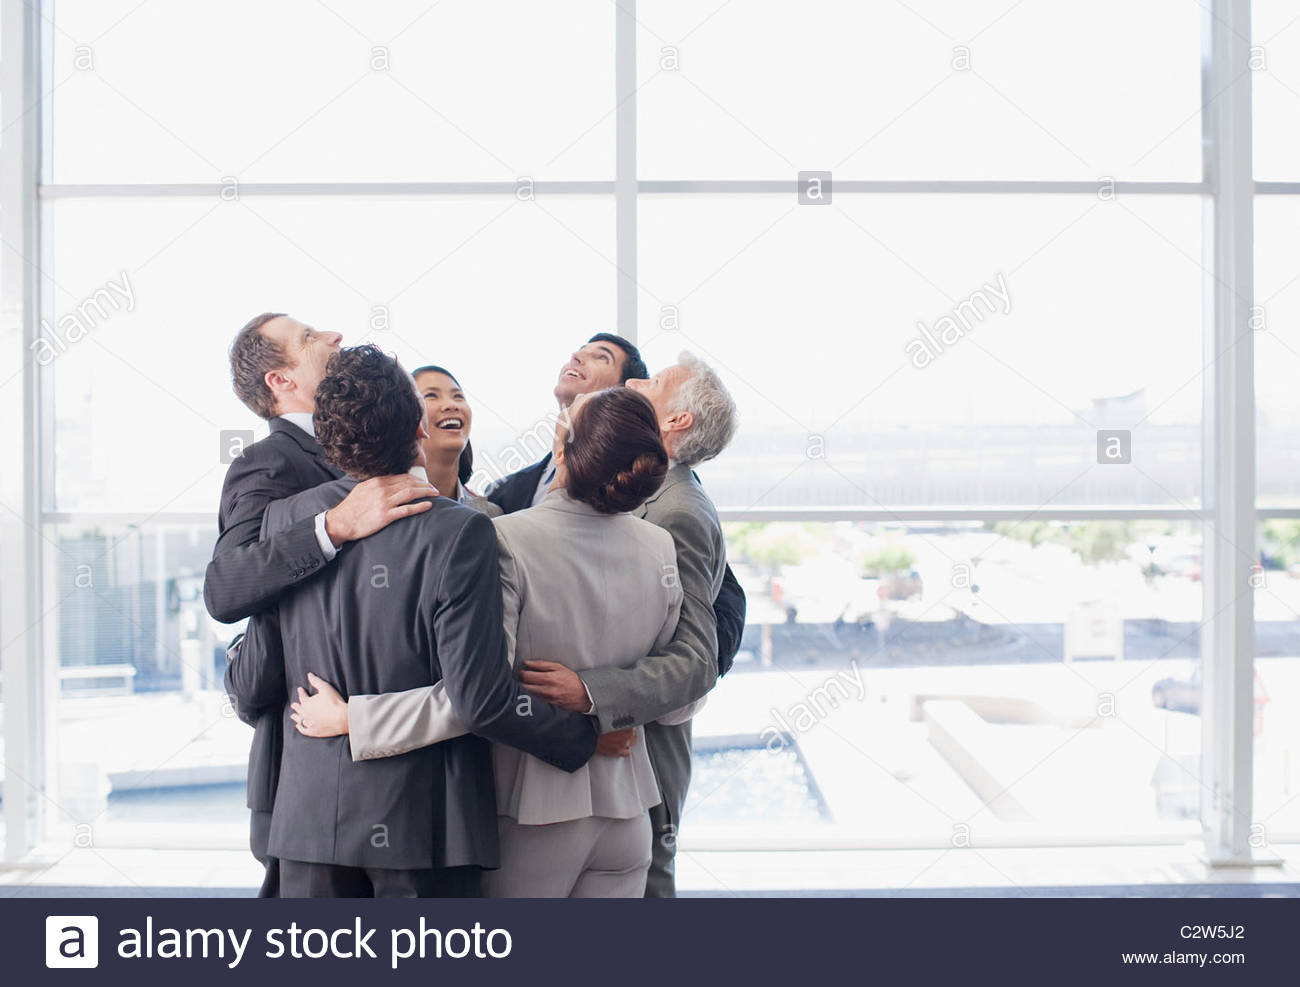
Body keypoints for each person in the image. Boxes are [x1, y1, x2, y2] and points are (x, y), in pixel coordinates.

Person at [226, 344, 600, 898]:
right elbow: (479, 697)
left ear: (330, 441)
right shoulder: (460, 531)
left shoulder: (288, 519)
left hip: (307, 821)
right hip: (426, 827)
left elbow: (260, 672)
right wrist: (580, 734)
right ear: (419, 431)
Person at [294, 386, 688, 896]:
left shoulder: (503, 536)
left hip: (531, 814)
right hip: (631, 814)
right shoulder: (659, 545)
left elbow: (476, 696)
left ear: (563, 452)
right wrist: (602, 703)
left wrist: (354, 719)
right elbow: (681, 701)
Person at [207, 312, 435, 897]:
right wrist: (333, 524)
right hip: (304, 766)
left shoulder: (367, 444)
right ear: (281, 382)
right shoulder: (269, 463)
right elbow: (227, 586)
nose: (333, 336)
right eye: (308, 338)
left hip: (389, 766)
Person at [521, 352, 739, 896]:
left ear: (675, 421)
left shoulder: (674, 513)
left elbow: (696, 657)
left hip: (642, 755)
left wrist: (590, 694)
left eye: (656, 381)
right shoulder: (634, 492)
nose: (637, 381)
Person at [411, 364, 501, 518]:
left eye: (458, 396)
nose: (451, 405)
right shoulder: (379, 508)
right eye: (431, 395)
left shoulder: (492, 514)